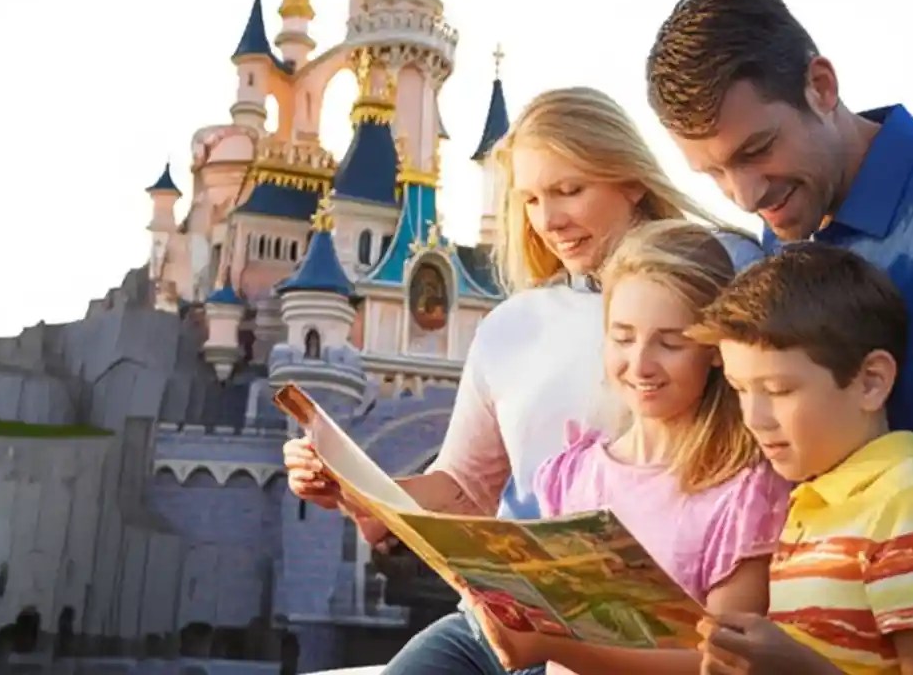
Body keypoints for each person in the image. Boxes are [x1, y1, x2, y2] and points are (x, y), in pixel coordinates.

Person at [283, 87, 761, 675]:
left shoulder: (727, 270)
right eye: (532, 199)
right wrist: (360, 488)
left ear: (631, 179)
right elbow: (464, 486)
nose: (550, 220)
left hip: (639, 630)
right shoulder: (512, 325)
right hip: (504, 620)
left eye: (570, 191)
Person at [645, 0, 913, 652]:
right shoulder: (779, 248)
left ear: (821, 84)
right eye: (714, 174)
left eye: (757, 150)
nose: (745, 195)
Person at [464, 220, 791, 675]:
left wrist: (554, 649)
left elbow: (723, 663)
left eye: (671, 343)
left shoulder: (742, 493)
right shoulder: (570, 475)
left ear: (715, 349)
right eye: (622, 337)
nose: (640, 364)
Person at [687, 245, 913, 674]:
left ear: (871, 382)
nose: (753, 418)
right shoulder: (812, 504)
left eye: (778, 390)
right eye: (739, 389)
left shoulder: (911, 512)